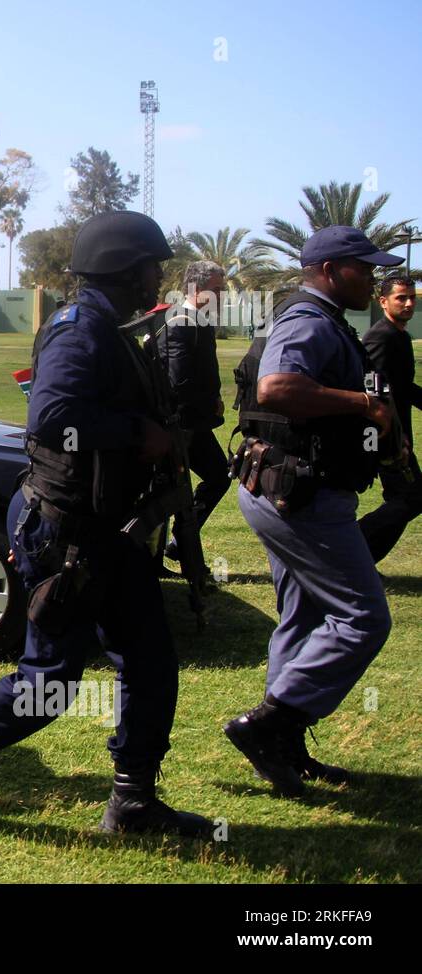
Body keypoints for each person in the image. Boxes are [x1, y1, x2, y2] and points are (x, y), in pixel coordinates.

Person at [0, 211, 211, 837]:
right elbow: (51, 417)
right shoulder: (79, 331)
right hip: (69, 534)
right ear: (125, 267)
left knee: (150, 662)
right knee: (50, 684)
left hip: (113, 529)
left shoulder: (111, 327)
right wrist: (141, 434)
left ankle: (133, 801)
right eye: (150, 267)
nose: (156, 277)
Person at [226, 226, 401, 796]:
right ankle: (267, 727)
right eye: (363, 268)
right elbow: (276, 388)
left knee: (302, 619)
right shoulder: (309, 320)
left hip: (285, 487)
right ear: (329, 269)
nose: (373, 278)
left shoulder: (319, 318)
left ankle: (283, 749)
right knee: (363, 618)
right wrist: (362, 403)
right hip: (297, 493)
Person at [158, 261, 231, 563]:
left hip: (192, 424)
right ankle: (176, 552)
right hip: (179, 425)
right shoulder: (181, 322)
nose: (222, 296)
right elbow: (179, 382)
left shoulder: (195, 320)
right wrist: (207, 401)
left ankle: (178, 545)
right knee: (166, 494)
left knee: (217, 477)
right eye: (217, 289)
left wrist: (213, 397)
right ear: (195, 289)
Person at [357, 274, 421, 561]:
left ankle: (362, 558)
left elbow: (403, 387)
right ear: (383, 301)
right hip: (383, 435)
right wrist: (393, 433)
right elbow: (373, 387)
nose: (408, 303)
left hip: (396, 432)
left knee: (407, 498)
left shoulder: (399, 335)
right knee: (410, 497)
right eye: (401, 298)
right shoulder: (381, 337)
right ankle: (353, 550)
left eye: (412, 298)